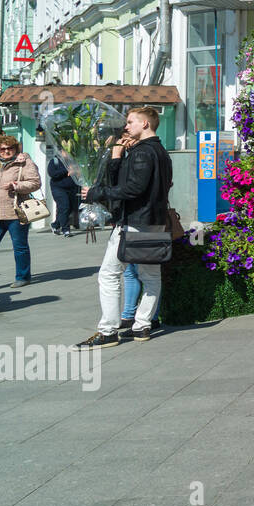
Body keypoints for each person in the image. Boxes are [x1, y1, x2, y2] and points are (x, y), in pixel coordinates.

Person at [76, 106, 173, 348]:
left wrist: (97, 192)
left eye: (130, 122)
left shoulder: (142, 153)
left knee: (109, 274)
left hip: (134, 222)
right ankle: (142, 326)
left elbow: (131, 189)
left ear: (145, 124)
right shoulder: (160, 151)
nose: (126, 127)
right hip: (155, 220)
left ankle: (108, 330)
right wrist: (118, 157)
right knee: (150, 275)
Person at [0, 135, 41, 286]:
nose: (6, 151)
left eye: (10, 148)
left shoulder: (24, 162)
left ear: (15, 148)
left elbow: (35, 183)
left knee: (20, 247)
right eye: (2, 149)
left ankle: (23, 277)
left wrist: (16, 185)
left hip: (17, 212)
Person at [47, 149, 81, 236]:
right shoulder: (54, 161)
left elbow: (78, 172)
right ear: (61, 151)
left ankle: (55, 225)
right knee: (64, 206)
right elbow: (52, 174)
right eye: (65, 151)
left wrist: (76, 172)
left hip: (72, 188)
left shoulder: (72, 161)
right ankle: (66, 230)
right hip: (58, 188)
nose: (68, 153)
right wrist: (67, 171)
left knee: (68, 208)